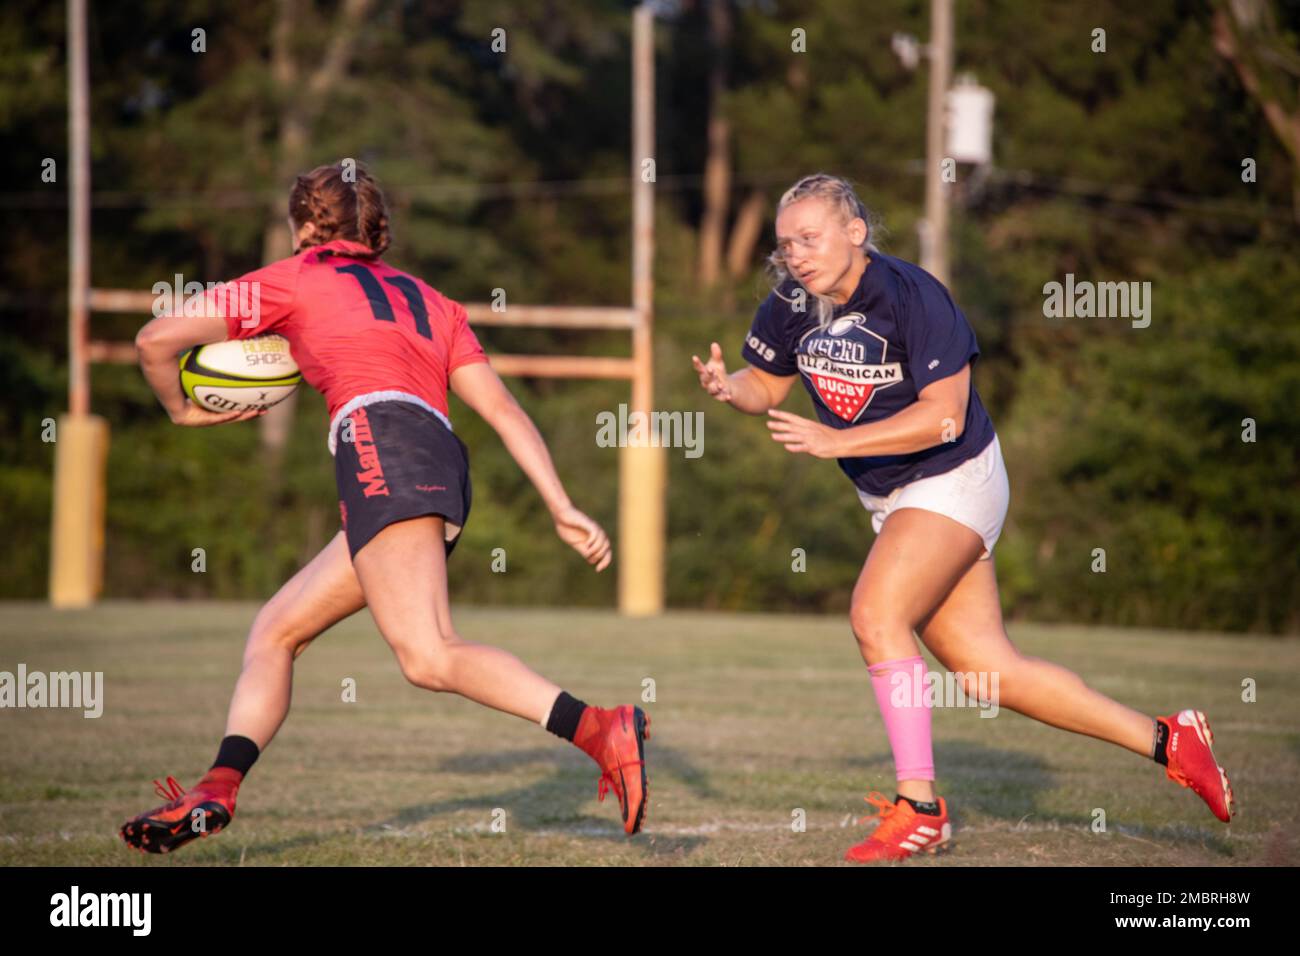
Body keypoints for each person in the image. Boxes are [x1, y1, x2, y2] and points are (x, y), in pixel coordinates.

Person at [692, 173, 1234, 863]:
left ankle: (920, 809)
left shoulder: (912, 294)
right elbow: (766, 386)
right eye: (785, 243)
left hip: (956, 478)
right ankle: (1171, 740)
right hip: (896, 500)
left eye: (810, 236)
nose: (795, 254)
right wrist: (726, 389)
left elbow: (944, 415)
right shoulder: (791, 303)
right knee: (988, 670)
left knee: (874, 616)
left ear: (856, 231)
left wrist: (836, 441)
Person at [122, 161, 649, 854]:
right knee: (276, 631)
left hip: (381, 447)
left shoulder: (295, 277)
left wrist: (183, 412)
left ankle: (598, 728)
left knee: (428, 656)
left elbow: (155, 341)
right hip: (436, 458)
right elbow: (504, 409)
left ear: (308, 226)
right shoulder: (433, 301)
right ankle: (217, 786)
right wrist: (558, 502)